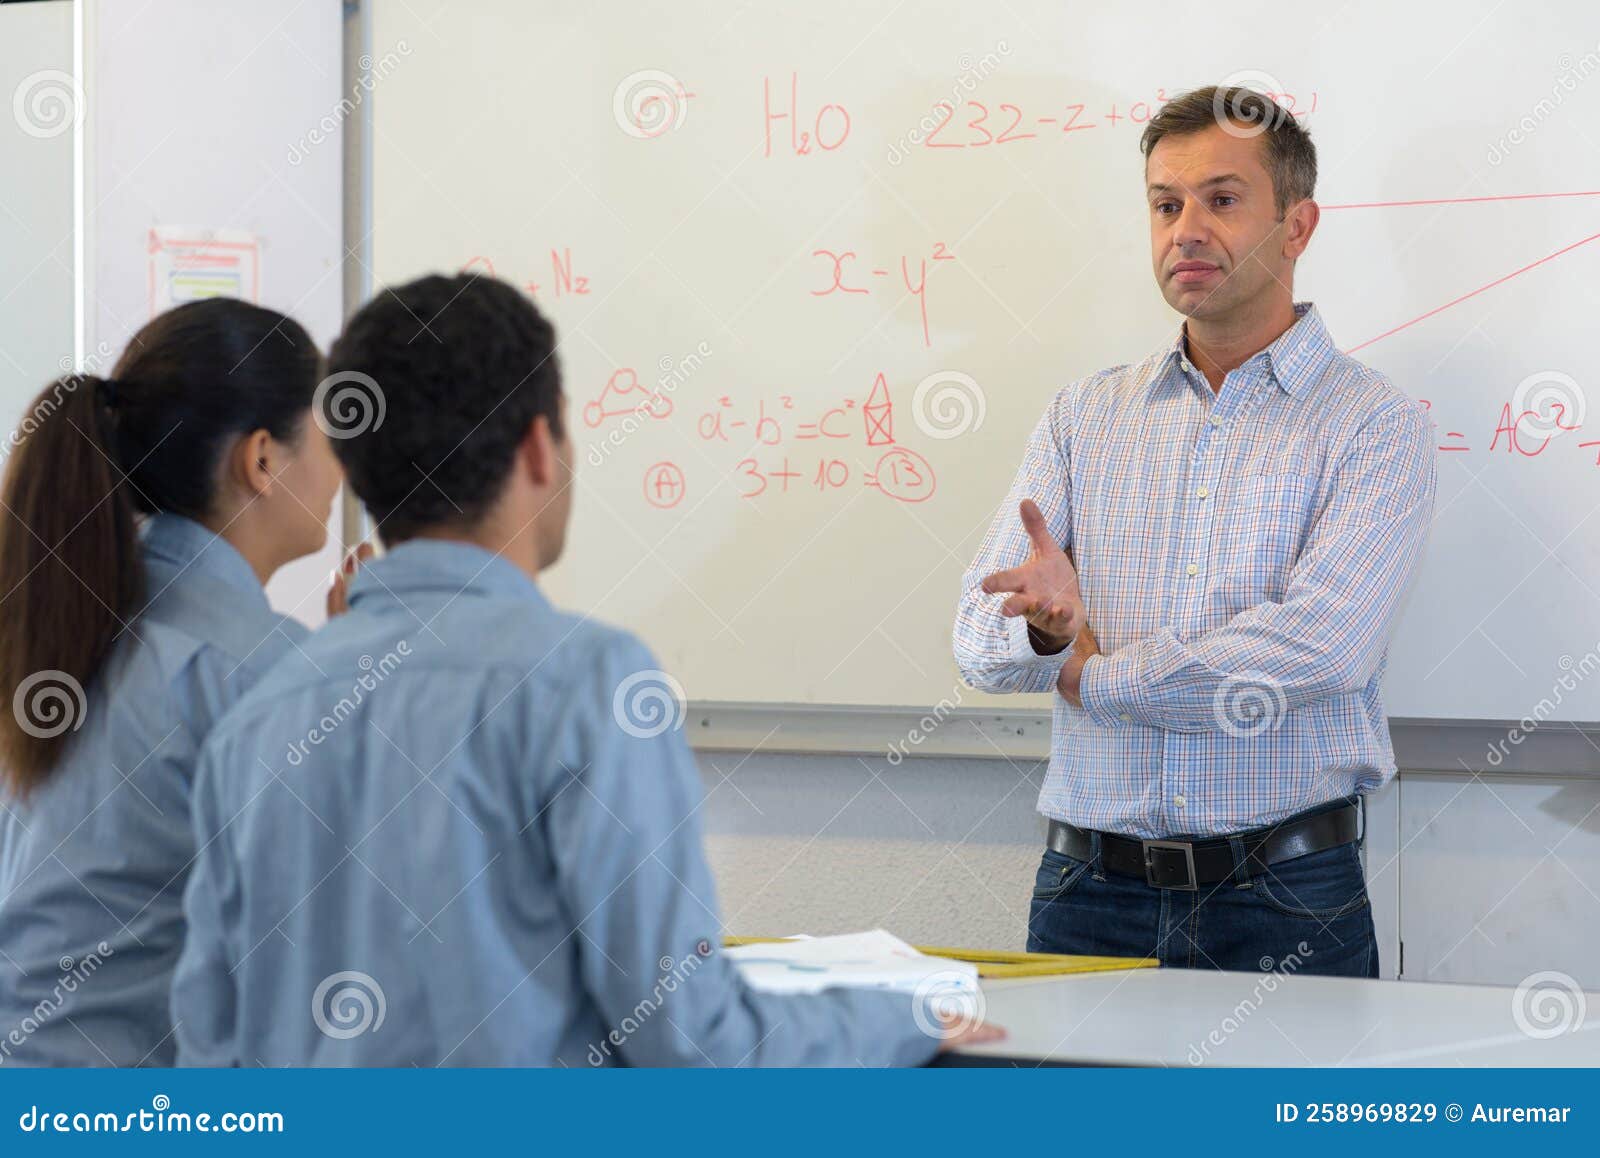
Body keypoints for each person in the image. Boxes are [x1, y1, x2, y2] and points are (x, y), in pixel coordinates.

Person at [172, 273, 999, 1065]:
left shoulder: (262, 703)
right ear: (540, 447)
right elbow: (693, 1038)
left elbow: (209, 1049)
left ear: (352, 465)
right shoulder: (588, 686)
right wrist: (899, 1020)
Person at [954, 85, 1437, 977]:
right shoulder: (1083, 416)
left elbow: (1321, 649)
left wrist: (1093, 675)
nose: (1186, 230)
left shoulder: (1374, 424)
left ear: (1297, 226)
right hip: (1085, 892)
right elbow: (983, 642)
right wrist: (1044, 631)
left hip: (1287, 896)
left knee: (1279, 1123)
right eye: (1165, 204)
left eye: (1221, 200)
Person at [0, 300, 345, 1064]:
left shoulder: (61, 630)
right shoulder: (258, 673)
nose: (340, 467)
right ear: (261, 460)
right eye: (327, 431)